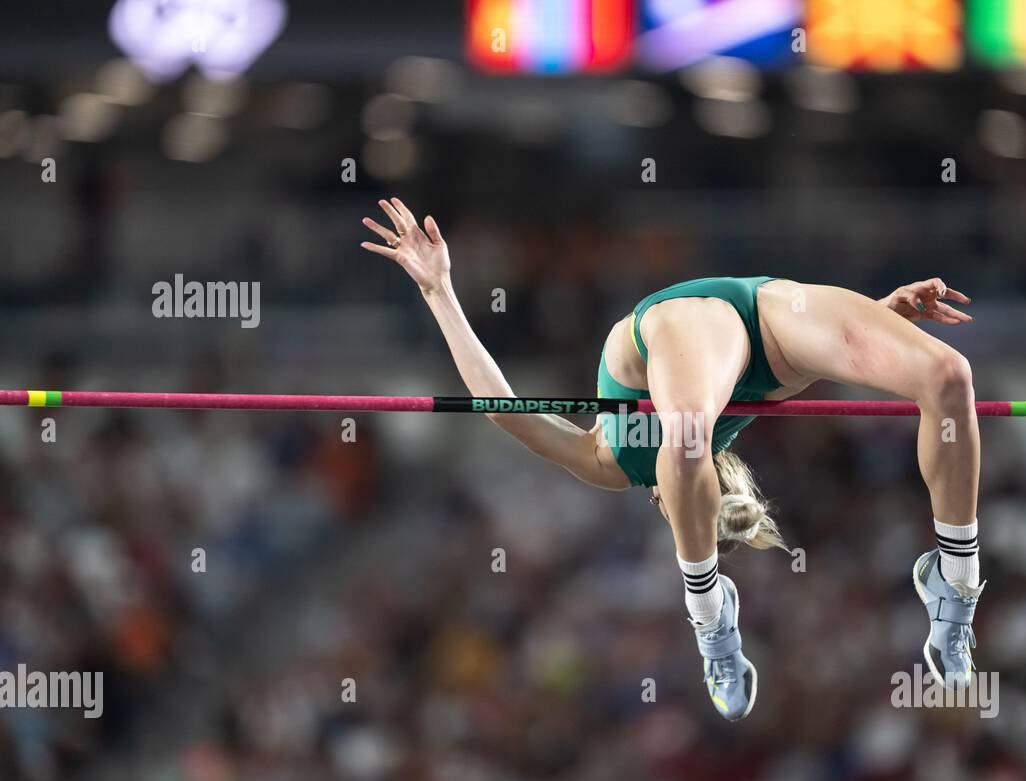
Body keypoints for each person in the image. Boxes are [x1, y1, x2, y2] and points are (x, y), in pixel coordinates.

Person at [361, 197, 984, 722]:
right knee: (941, 376)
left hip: (704, 330)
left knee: (946, 378)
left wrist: (439, 290)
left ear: (666, 500)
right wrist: (885, 317)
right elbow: (822, 361)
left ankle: (730, 614)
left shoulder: (615, 461)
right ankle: (935, 590)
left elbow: (501, 407)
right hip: (767, 330)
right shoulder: (740, 413)